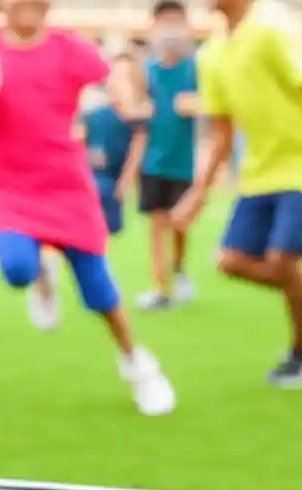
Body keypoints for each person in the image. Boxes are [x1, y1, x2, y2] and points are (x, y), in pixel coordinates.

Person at [0, 0, 175, 416]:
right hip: (8, 188)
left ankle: (137, 364)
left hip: (66, 186)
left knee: (99, 291)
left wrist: (128, 98)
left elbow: (112, 78)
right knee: (16, 268)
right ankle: (41, 273)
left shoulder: (69, 49)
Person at [173, 0, 302, 389]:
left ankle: (301, 354)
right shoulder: (212, 53)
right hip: (260, 174)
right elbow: (222, 132)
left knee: (282, 260)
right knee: (231, 261)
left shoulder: (272, 25)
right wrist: (199, 192)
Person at [112, 0, 199, 311]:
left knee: (179, 224)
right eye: (166, 21)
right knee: (157, 224)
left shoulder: (196, 68)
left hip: (183, 162)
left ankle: (180, 268)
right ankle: (160, 288)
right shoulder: (146, 70)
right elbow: (131, 105)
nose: (171, 28)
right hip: (152, 162)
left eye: (177, 20)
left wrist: (196, 103)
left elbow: (212, 105)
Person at [82, 76, 138, 237]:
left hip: (114, 175)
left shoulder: (131, 120)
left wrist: (127, 178)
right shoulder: (95, 115)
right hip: (99, 177)